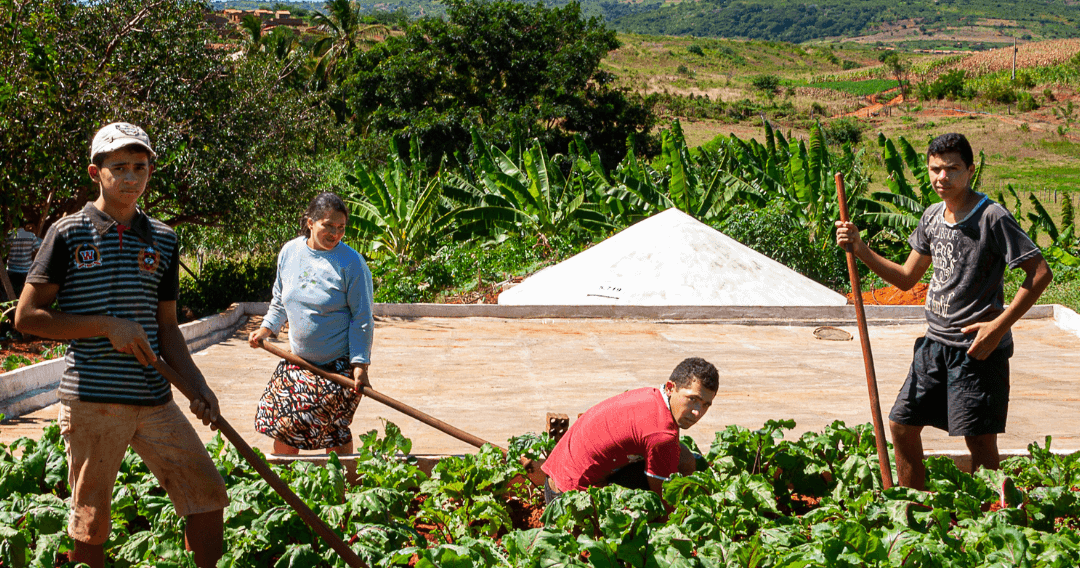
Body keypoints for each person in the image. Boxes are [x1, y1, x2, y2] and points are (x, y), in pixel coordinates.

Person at [14, 122, 228, 568]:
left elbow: (167, 328)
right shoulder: (68, 233)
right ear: (96, 172)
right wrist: (105, 326)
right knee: (91, 518)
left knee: (206, 492)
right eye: (120, 167)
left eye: (140, 166)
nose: (131, 177)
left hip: (153, 397)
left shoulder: (164, 239)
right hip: (93, 400)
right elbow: (28, 317)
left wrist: (198, 388)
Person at [835, 132, 1052, 490]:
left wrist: (998, 326)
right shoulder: (932, 216)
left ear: (970, 170)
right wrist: (859, 248)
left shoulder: (992, 217)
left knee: (979, 441)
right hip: (933, 345)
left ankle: (994, 520)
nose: (942, 177)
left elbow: (1040, 272)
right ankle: (914, 507)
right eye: (935, 169)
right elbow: (906, 278)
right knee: (902, 426)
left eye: (952, 169)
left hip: (976, 350)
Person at [247, 192, 374, 456]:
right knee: (286, 425)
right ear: (310, 222)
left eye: (341, 228)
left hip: (337, 368)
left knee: (306, 423)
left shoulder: (351, 263)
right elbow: (280, 300)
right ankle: (288, 487)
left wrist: (360, 366)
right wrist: (266, 328)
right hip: (298, 362)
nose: (335, 233)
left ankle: (343, 484)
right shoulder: (290, 253)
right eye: (328, 225)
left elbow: (361, 317)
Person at [541, 357, 718, 504]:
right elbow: (664, 502)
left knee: (684, 457)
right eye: (692, 399)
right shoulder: (662, 435)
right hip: (569, 500)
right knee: (653, 505)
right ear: (671, 388)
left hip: (554, 480)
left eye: (705, 405)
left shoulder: (652, 396)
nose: (697, 412)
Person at [3, 223, 42, 298]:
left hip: (11, 269)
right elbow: (38, 251)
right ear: (23, 225)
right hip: (26, 270)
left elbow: (4, 250)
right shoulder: (31, 236)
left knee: (12, 295)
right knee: (23, 295)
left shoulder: (9, 235)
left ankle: (13, 309)